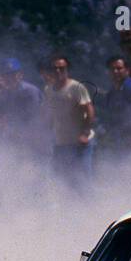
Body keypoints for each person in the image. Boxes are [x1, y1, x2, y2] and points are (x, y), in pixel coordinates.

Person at [43, 54, 95, 192]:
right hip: (62, 142)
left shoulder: (76, 87)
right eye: (55, 69)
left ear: (67, 69)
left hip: (80, 143)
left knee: (83, 179)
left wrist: (85, 133)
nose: (58, 71)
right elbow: (50, 113)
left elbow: (89, 111)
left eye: (62, 68)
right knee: (63, 178)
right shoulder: (49, 90)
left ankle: (92, 207)